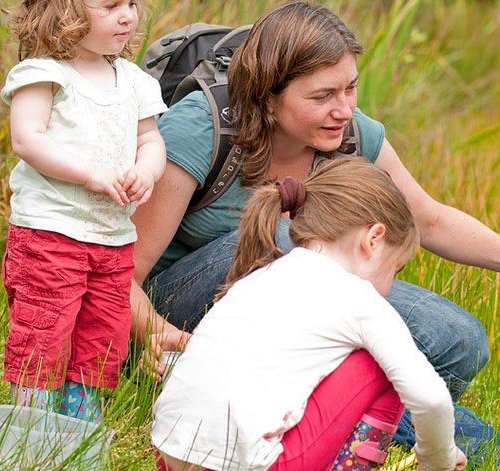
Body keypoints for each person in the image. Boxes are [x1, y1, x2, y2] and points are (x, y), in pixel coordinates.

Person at [132, 1, 500, 402]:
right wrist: (158, 335)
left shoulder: (352, 133)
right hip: (177, 308)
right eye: (323, 95)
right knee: (286, 241)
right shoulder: (202, 130)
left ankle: (337, 406)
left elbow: (430, 219)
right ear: (268, 98)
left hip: (301, 309)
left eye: (350, 88)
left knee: (457, 339)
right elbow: (121, 271)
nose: (344, 109)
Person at [152, 158, 467, 471]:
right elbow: (431, 398)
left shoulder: (260, 276)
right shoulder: (360, 300)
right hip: (258, 465)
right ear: (373, 239)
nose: (389, 285)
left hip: (170, 455)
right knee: (382, 364)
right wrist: (439, 460)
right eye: (395, 268)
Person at [0, 0, 167, 422]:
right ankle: (32, 423)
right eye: (110, 5)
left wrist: (147, 168)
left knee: (103, 335)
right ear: (63, 12)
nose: (128, 15)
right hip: (51, 233)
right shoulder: (45, 73)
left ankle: (78, 425)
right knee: (45, 329)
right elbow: (28, 138)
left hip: (112, 240)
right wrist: (90, 173)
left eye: (132, 4)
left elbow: (150, 140)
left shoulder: (134, 82)